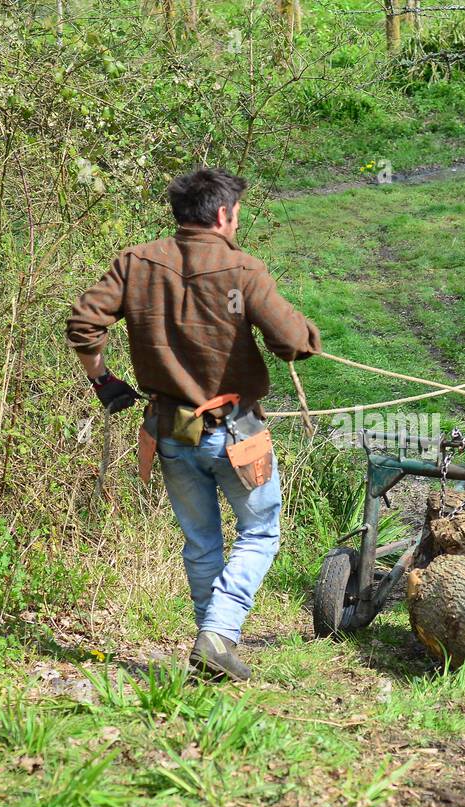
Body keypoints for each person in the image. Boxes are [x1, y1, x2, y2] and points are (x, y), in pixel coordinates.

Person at [67, 168, 321, 681]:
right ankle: (219, 634)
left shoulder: (135, 262)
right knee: (261, 533)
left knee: (202, 543)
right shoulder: (243, 270)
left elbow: (83, 324)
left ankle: (212, 649)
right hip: (236, 432)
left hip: (169, 429)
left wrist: (103, 381)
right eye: (238, 214)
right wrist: (305, 335)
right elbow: (293, 342)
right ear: (224, 215)